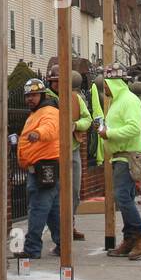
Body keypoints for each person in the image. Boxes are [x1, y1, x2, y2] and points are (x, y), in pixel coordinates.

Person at [98, 65, 141, 260]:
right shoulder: (119, 101)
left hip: (127, 156)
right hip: (121, 155)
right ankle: (130, 238)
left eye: (104, 84)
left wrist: (109, 133)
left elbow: (133, 128)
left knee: (122, 197)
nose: (102, 88)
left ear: (113, 83)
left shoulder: (128, 101)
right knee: (126, 198)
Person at [17, 77, 62, 258]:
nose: (30, 99)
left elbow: (50, 128)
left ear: (42, 95)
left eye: (34, 95)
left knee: (37, 209)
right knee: (52, 211)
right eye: (27, 95)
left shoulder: (48, 111)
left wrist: (38, 133)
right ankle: (63, 243)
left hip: (43, 169)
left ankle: (32, 249)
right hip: (44, 168)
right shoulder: (37, 112)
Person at [47, 64, 92, 241]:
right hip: (51, 152)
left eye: (60, 81)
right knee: (53, 193)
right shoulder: (45, 99)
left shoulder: (75, 98)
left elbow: (87, 118)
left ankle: (69, 225)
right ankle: (58, 230)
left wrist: (75, 125)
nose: (57, 85)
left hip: (72, 149)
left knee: (73, 191)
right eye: (54, 82)